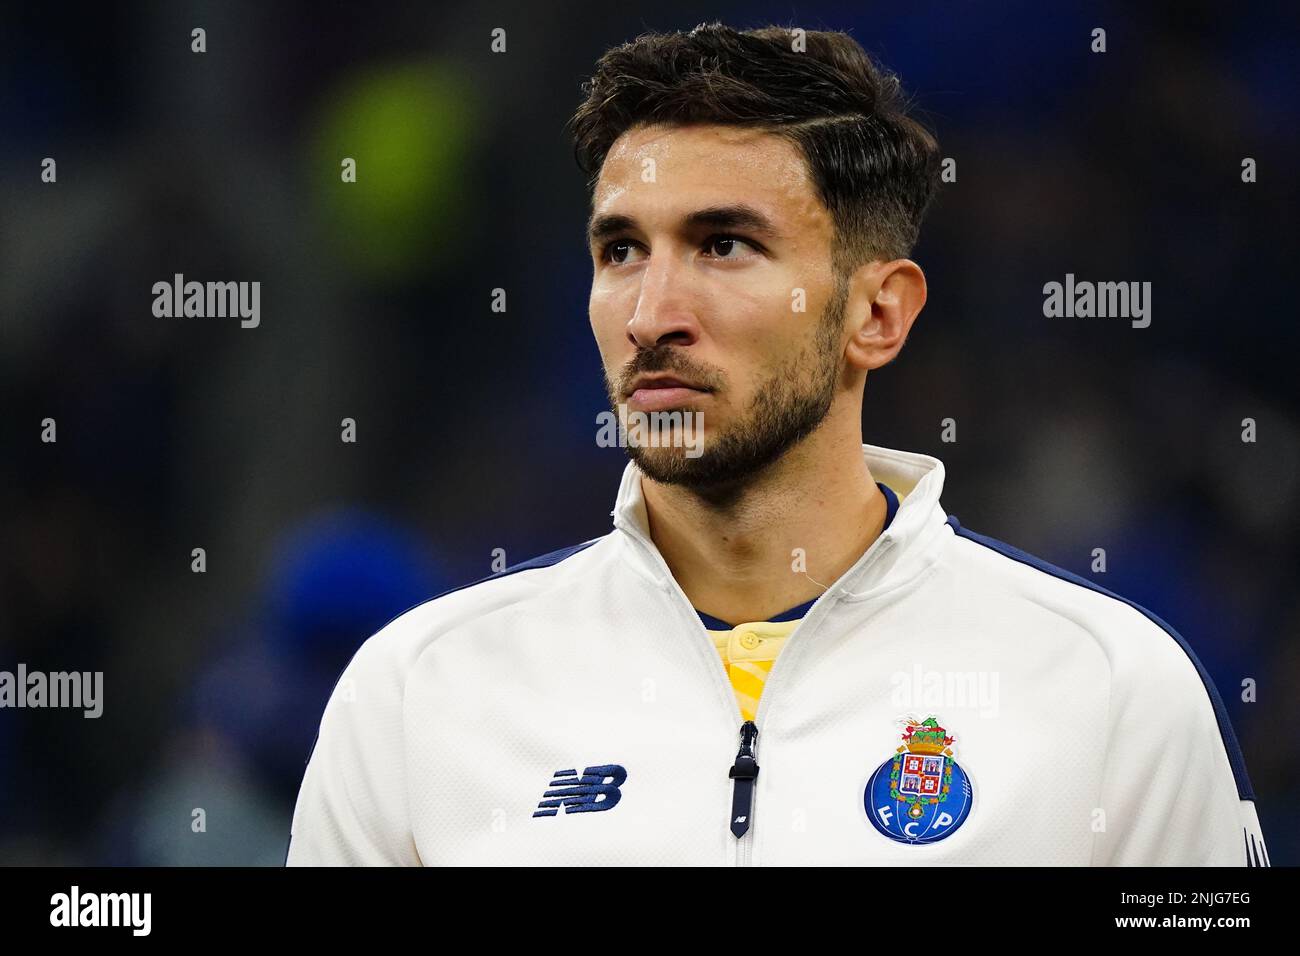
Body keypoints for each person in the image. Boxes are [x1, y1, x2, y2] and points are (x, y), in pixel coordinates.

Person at [286, 22, 1267, 866]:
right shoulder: (418, 695)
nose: (651, 314)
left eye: (724, 245)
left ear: (877, 312)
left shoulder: (1108, 690)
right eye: (621, 249)